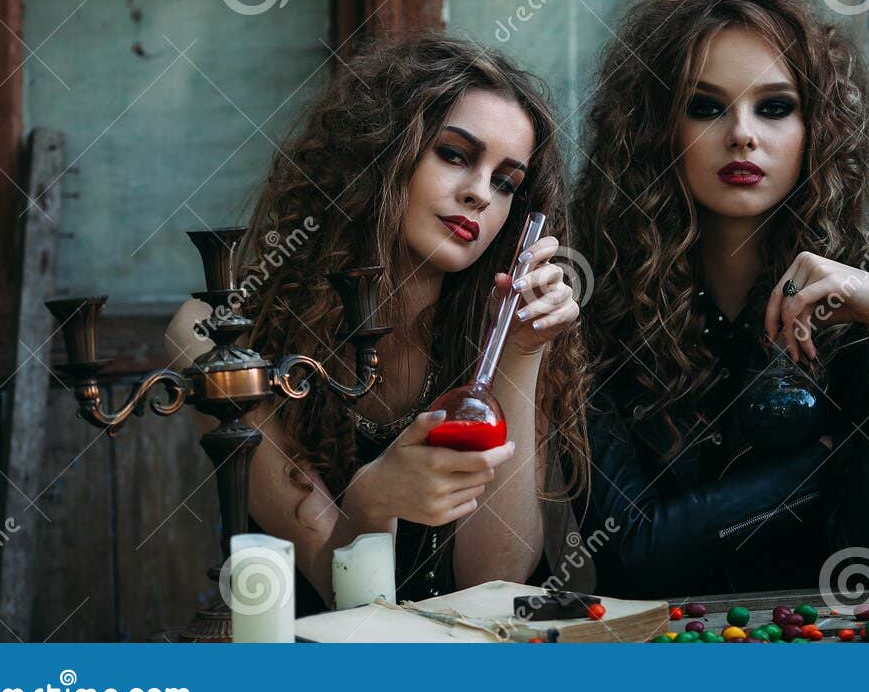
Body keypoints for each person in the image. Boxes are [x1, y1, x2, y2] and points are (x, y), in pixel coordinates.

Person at [162, 33, 589, 614]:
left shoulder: (498, 325)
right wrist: (372, 502)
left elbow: (495, 579)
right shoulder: (222, 337)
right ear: (381, 150)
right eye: (456, 154)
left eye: (505, 182)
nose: (479, 194)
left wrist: (520, 350)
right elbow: (337, 592)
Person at [572, 0, 869, 599]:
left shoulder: (863, 290)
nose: (742, 134)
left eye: (774, 107)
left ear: (816, 128)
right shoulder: (599, 299)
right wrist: (824, 465)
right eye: (706, 107)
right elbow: (631, 554)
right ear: (660, 130)